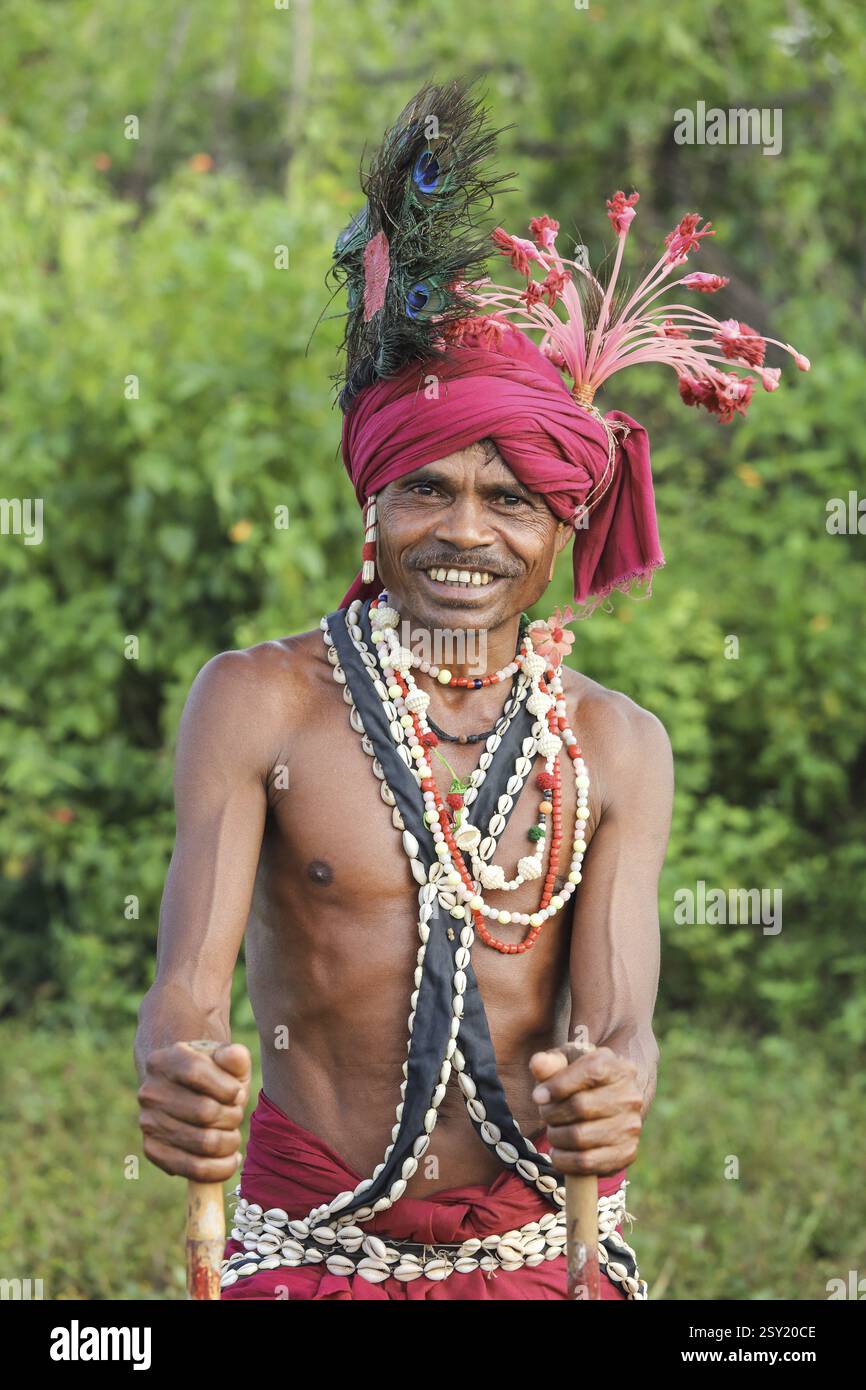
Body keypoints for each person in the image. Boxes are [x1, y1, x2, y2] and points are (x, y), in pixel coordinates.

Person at [134, 79, 807, 1301]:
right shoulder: (258, 702)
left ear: (562, 523)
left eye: (509, 501)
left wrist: (616, 1085)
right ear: (371, 502)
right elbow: (187, 978)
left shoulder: (618, 744)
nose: (464, 533)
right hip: (310, 1244)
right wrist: (180, 1060)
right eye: (424, 489)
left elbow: (618, 1023)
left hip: (534, 1249)